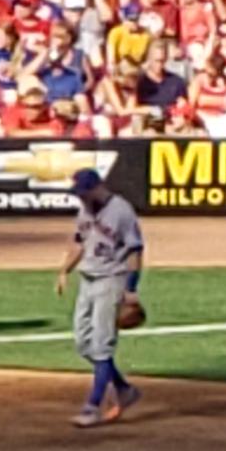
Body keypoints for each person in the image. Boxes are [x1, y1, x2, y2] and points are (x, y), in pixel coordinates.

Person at [57, 168, 146, 427]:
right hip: (87, 280)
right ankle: (124, 389)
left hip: (111, 280)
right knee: (84, 344)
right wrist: (64, 270)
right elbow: (79, 242)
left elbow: (135, 251)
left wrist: (131, 289)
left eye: (85, 193)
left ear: (98, 187)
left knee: (102, 345)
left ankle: (92, 407)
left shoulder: (121, 211)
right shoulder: (85, 209)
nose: (81, 198)